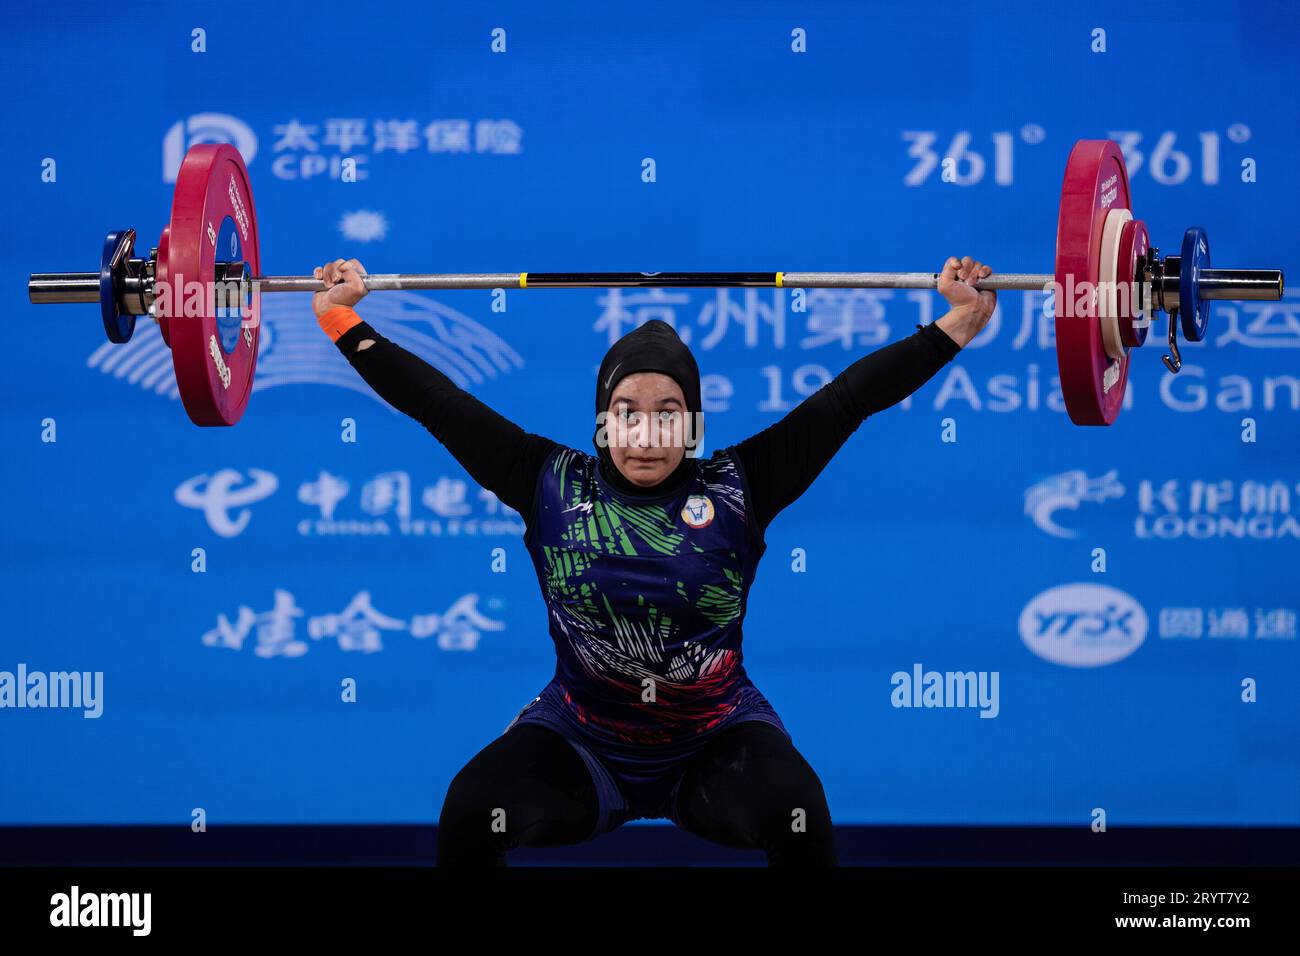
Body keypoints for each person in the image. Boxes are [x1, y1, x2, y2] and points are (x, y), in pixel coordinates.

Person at [311, 256, 996, 866]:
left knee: (798, 814)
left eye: (669, 412)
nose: (646, 432)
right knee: (471, 811)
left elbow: (849, 400)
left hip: (714, 743)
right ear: (602, 421)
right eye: (626, 412)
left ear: (694, 424)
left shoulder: (743, 482)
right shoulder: (544, 479)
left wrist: (954, 326)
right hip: (580, 744)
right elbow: (436, 403)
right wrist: (341, 318)